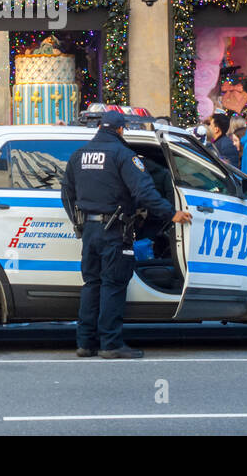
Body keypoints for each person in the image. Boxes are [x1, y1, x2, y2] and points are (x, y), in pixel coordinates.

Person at [61, 111, 190, 359]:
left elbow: (66, 194)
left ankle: (85, 343)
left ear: (99, 127)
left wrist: (78, 224)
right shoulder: (124, 156)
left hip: (90, 230)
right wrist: (170, 214)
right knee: (113, 284)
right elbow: (145, 193)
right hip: (115, 232)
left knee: (92, 284)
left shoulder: (78, 156)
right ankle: (110, 344)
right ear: (120, 130)